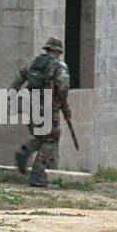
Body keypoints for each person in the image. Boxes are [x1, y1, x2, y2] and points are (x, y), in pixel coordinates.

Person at [12, 37, 71, 188]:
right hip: (48, 108)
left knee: (41, 136)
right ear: (58, 51)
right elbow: (63, 90)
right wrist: (63, 107)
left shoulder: (33, 63)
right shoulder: (59, 66)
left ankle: (25, 151)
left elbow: (16, 83)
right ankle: (37, 176)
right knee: (51, 140)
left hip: (30, 105)